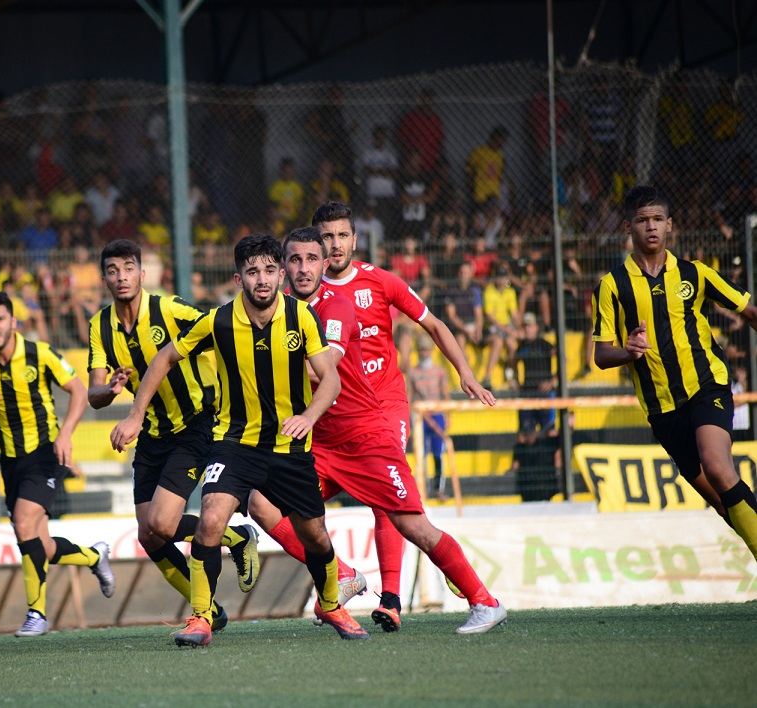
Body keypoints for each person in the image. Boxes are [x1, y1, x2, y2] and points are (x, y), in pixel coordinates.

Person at [109, 234, 367, 646]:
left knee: (315, 535)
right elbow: (165, 357)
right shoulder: (219, 320)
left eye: (268, 270)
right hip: (234, 443)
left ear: (281, 275)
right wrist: (136, 413)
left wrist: (308, 416)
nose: (261, 279)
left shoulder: (302, 318)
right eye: (252, 272)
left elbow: (331, 379)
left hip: (289, 446)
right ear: (238, 278)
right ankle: (200, 618)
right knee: (211, 520)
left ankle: (332, 604)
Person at [247, 227, 506, 634]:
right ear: (282, 269)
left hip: (364, 437)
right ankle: (345, 575)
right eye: (294, 260)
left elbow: (324, 368)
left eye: (311, 259)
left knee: (413, 525)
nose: (303, 268)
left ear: (324, 263)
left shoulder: (336, 306)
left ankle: (484, 601)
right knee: (260, 503)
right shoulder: (281, 311)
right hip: (318, 444)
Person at [313, 201, 494, 631]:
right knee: (287, 505)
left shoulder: (381, 282)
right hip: (333, 417)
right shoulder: (303, 293)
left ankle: (391, 598)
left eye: (342, 236)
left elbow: (433, 325)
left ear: (355, 240)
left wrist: (465, 373)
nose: (335, 244)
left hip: (385, 406)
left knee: (388, 503)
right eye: (326, 237)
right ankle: (339, 578)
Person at [87, 239, 259, 635]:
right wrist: (109, 389)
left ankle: (234, 535)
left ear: (143, 274)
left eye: (128, 268)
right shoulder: (100, 327)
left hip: (195, 424)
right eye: (113, 270)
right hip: (153, 432)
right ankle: (211, 610)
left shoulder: (170, 309)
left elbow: (220, 326)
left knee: (163, 524)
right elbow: (94, 393)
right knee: (149, 535)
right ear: (104, 279)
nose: (121, 276)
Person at [592, 185, 757, 562]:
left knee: (718, 467)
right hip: (662, 408)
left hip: (706, 386)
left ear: (670, 226)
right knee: (722, 503)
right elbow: (602, 355)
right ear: (628, 227)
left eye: (657, 220)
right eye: (642, 220)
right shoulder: (611, 286)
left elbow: (749, 312)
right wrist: (627, 351)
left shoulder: (695, 274)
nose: (650, 227)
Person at [0, 292, 116, 637]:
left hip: (44, 453)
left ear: (13, 322)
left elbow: (79, 390)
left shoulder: (39, 353)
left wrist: (66, 434)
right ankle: (93, 556)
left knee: (25, 524)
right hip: (9, 460)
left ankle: (37, 613)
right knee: (41, 545)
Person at [407, 336, 452, 502]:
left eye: (426, 350)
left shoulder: (439, 371)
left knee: (438, 454)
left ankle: (439, 490)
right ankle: (422, 490)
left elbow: (445, 393)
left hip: (437, 414)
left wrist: (447, 415)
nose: (424, 353)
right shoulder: (413, 372)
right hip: (420, 417)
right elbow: (409, 396)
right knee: (422, 455)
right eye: (421, 350)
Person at [512, 312, 557, 435]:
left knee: (550, 431)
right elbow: (513, 362)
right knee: (526, 435)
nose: (527, 329)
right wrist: (515, 380)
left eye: (530, 326)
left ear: (536, 327)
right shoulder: (521, 347)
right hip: (527, 393)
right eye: (525, 326)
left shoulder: (543, 344)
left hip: (544, 393)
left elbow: (562, 358)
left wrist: (552, 381)